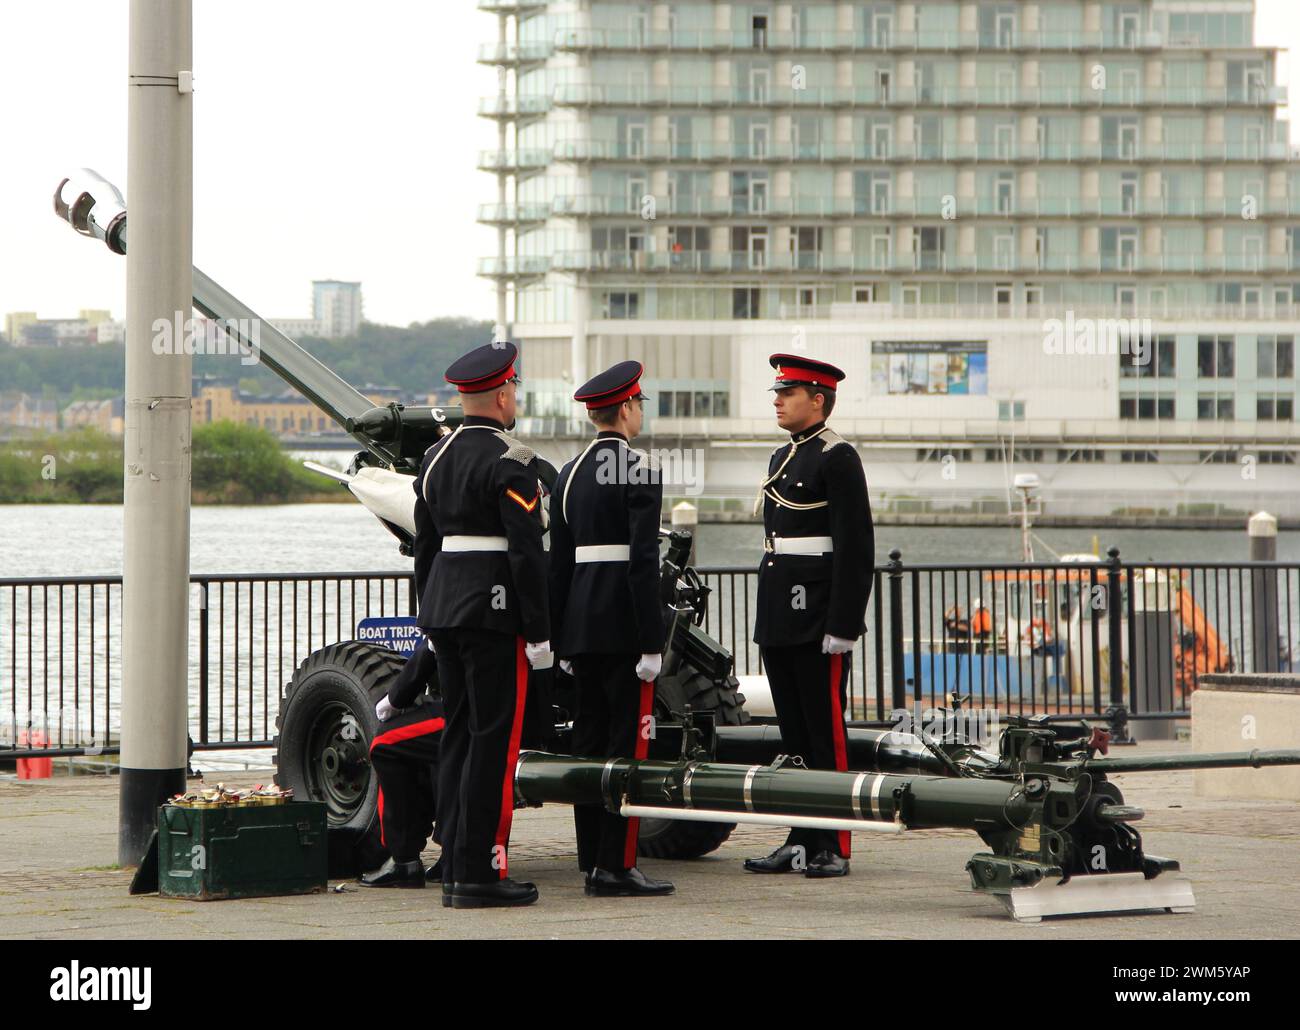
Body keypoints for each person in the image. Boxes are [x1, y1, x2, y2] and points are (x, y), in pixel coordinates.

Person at [412, 340, 551, 909]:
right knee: (495, 741)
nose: (514, 397)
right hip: (494, 614)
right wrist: (540, 631)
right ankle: (481, 871)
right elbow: (526, 554)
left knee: (459, 734)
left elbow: (424, 548)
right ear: (500, 393)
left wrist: (428, 609)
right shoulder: (511, 460)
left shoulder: (434, 459)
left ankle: (453, 865)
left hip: (444, 608)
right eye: (513, 388)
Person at [745, 353, 874, 879]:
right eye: (777, 392)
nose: (777, 400)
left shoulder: (836, 456)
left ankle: (834, 843)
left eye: (788, 393)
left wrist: (844, 624)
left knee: (825, 732)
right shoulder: (782, 455)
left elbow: (855, 544)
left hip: (819, 617)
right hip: (781, 612)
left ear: (817, 400)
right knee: (793, 736)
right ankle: (799, 838)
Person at [548, 360, 673, 897]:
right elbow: (643, 564)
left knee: (587, 744)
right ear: (624, 408)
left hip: (581, 628)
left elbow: (559, 565)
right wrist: (652, 641)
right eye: (639, 403)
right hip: (624, 632)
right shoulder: (640, 470)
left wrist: (561, 638)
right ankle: (616, 865)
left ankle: (589, 857)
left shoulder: (568, 472)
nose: (640, 412)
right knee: (627, 749)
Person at [361, 642, 445, 888]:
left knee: (384, 744)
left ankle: (404, 859)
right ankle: (451, 852)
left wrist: (394, 699)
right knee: (436, 753)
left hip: (471, 710)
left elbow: (433, 643)